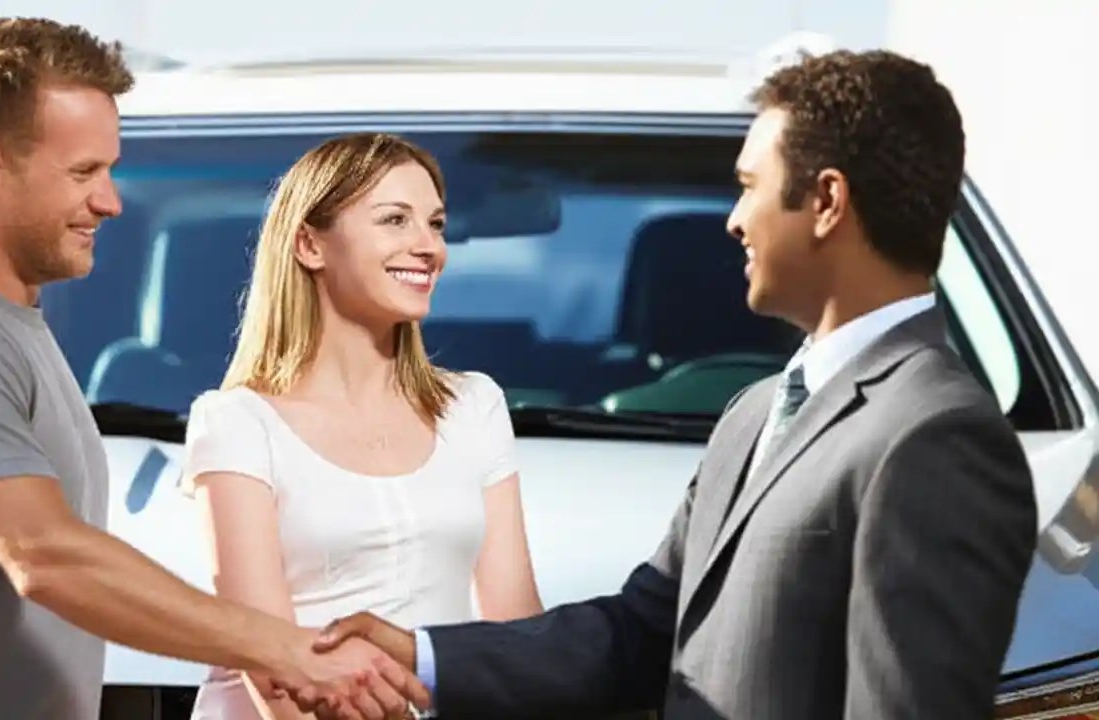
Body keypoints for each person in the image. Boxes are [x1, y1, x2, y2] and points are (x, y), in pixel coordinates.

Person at [305, 49, 1039, 719]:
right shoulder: (755, 416)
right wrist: (422, 655)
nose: (735, 221)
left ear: (826, 202)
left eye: (750, 187)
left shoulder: (936, 436)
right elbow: (640, 634)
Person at [0, 18, 426, 720]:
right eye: (84, 173)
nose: (110, 200)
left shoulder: (9, 326)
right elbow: (46, 555)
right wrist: (287, 651)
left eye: (109, 170)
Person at [180, 132, 544, 720]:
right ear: (309, 245)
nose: (427, 247)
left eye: (436, 224)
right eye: (395, 220)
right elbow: (268, 663)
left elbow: (516, 632)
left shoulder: (474, 407)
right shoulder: (238, 423)